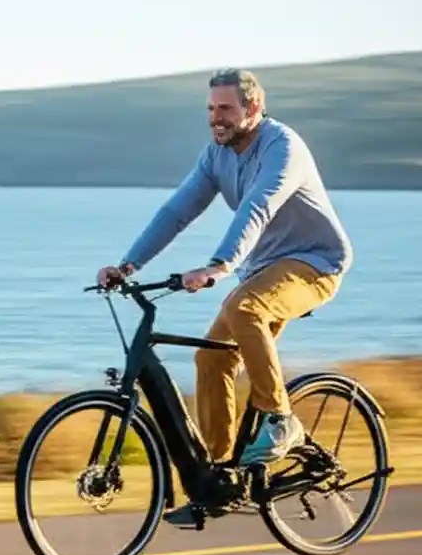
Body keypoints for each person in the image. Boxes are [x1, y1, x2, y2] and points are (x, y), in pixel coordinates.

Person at [95, 68, 353, 525]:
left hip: (314, 263)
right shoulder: (217, 154)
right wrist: (129, 265)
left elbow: (260, 204)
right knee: (211, 360)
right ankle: (220, 477)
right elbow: (177, 211)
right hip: (262, 269)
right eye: (211, 109)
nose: (217, 118)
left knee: (245, 307)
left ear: (253, 107)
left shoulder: (282, 147)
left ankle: (280, 419)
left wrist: (218, 266)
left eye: (227, 108)